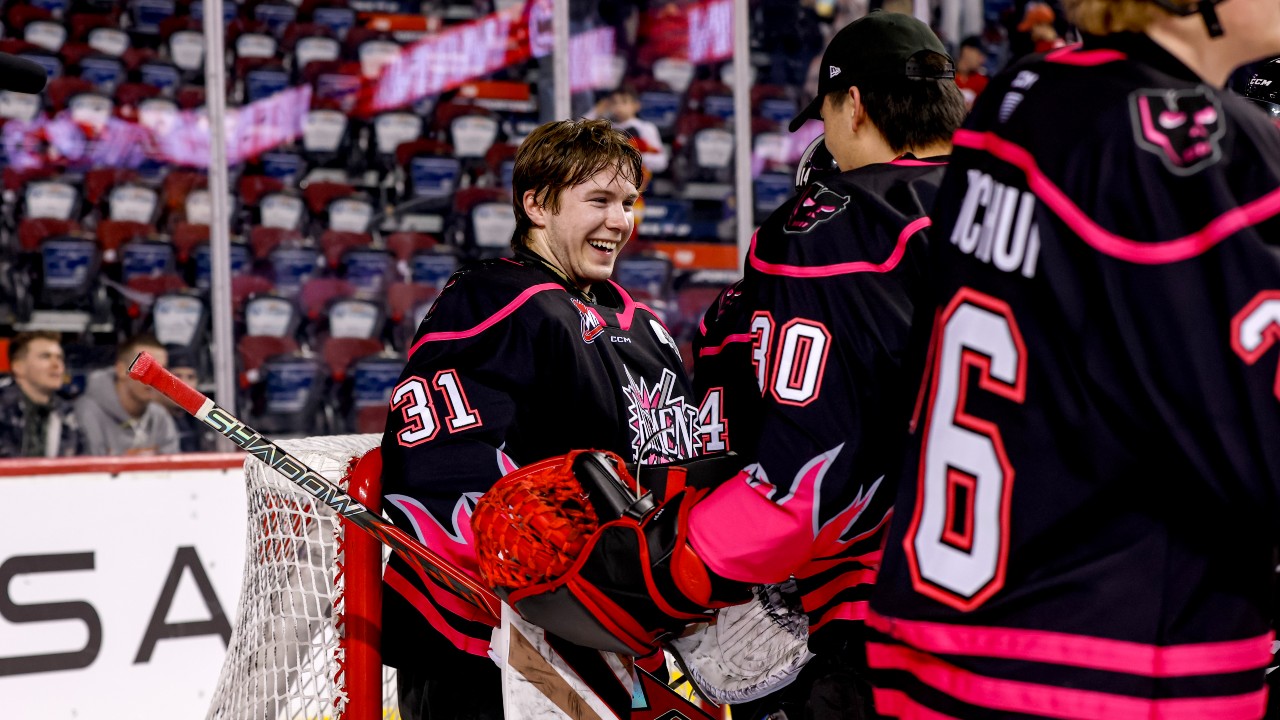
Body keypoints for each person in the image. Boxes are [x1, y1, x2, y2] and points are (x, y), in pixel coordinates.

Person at [865, 0, 1280, 717]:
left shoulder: (1025, 94)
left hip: (954, 634)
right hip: (1100, 663)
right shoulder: (1182, 137)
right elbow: (1254, 439)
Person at [689, 11, 966, 719]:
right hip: (1047, 606)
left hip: (880, 615)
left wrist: (677, 564)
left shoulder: (831, 223)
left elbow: (806, 478)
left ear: (854, 104)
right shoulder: (1030, 201)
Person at [378, 118, 701, 720]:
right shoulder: (496, 304)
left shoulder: (647, 328)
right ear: (536, 204)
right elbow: (441, 478)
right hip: (482, 644)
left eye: (628, 203)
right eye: (598, 200)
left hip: (610, 633)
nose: (619, 221)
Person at [74, 334, 179, 456]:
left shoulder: (160, 416)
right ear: (121, 370)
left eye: (162, 371)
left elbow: (173, 472)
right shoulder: (87, 413)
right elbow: (91, 471)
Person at [0, 331, 84, 457]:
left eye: (60, 357)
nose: (57, 365)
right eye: (45, 356)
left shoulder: (68, 415)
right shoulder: (3, 409)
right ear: (18, 366)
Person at [591, 85, 670, 175]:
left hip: (638, 180)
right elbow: (580, 133)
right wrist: (596, 111)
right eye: (615, 102)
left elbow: (661, 161)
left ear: (636, 105)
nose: (619, 106)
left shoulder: (646, 128)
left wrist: (634, 157)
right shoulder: (607, 128)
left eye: (624, 102)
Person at [162, 345, 216, 452]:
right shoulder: (151, 421)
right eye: (177, 375)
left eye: (191, 377)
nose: (184, 384)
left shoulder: (204, 423)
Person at [955, 34, 990, 108]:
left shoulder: (983, 82)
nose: (982, 60)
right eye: (980, 54)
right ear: (966, 51)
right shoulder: (946, 76)